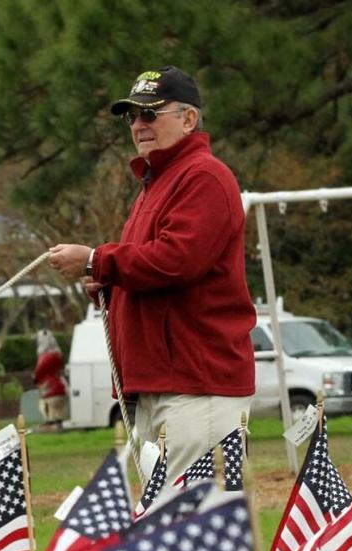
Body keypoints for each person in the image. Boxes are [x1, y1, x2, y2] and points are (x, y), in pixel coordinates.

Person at [47, 66, 254, 477]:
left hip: (197, 388)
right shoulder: (158, 183)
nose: (138, 125)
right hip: (162, 387)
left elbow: (177, 261)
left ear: (188, 119)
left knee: (190, 515)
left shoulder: (204, 176)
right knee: (167, 515)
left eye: (150, 113)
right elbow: (153, 270)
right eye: (131, 117)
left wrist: (96, 261)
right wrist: (107, 283)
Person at [33, 329, 68, 430]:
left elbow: (39, 371)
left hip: (50, 388)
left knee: (45, 406)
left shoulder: (45, 357)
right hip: (61, 386)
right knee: (59, 411)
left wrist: (35, 379)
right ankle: (59, 426)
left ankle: (51, 426)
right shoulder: (58, 355)